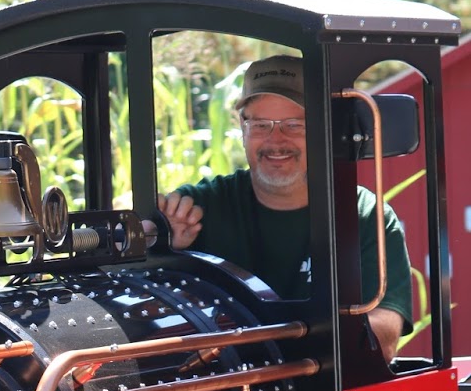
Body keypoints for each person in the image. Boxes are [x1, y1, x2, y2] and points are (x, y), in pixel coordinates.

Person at [153, 54, 413, 362]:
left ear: (325, 128)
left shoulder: (366, 216)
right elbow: (147, 315)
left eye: (294, 125)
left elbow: (382, 340)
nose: (276, 141)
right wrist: (165, 251)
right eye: (261, 124)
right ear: (242, 127)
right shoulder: (194, 210)